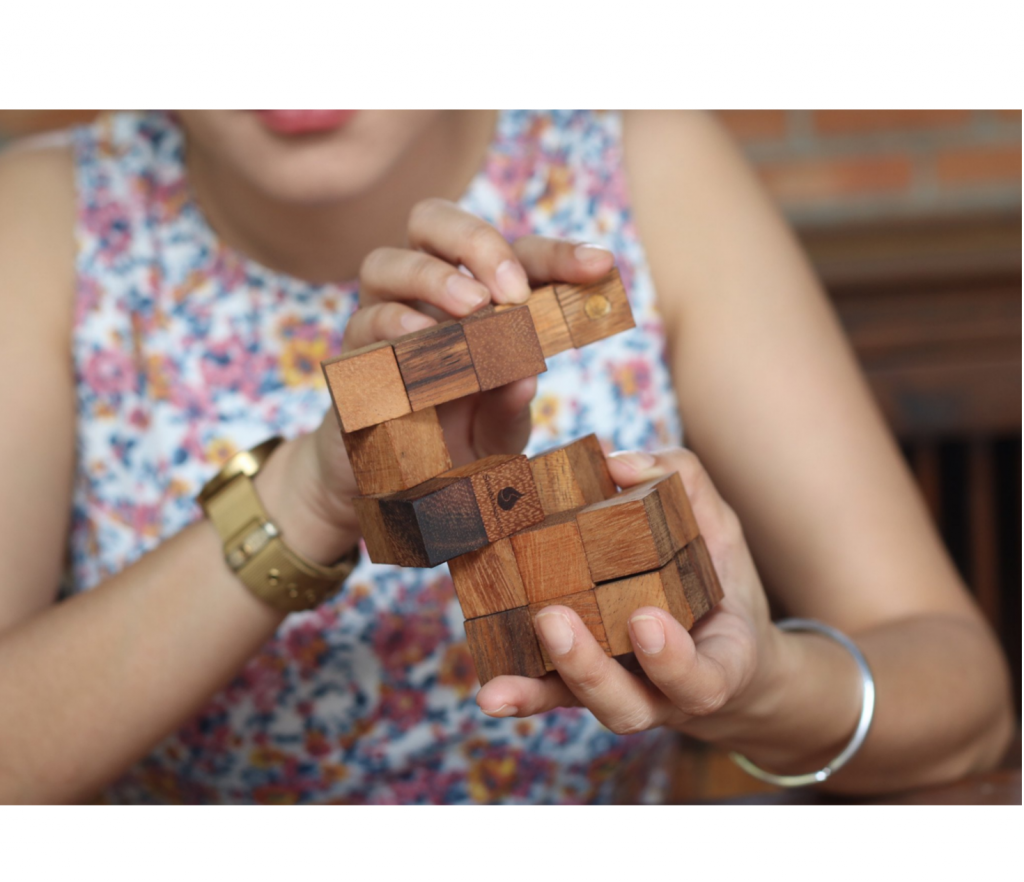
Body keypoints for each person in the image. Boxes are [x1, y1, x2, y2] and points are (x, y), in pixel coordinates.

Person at [0, 110, 1012, 804]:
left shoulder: (636, 159)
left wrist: (764, 690)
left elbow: (966, 699)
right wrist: (308, 498)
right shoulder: (45, 213)